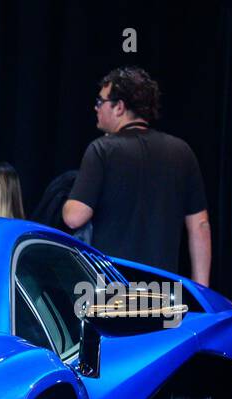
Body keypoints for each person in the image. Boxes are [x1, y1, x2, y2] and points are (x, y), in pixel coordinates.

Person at [62, 67, 211, 285]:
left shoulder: (102, 149)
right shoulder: (182, 152)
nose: (96, 108)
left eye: (100, 101)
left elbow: (74, 217)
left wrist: (65, 197)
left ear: (119, 107)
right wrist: (201, 290)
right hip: (163, 290)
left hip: (112, 287)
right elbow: (200, 226)